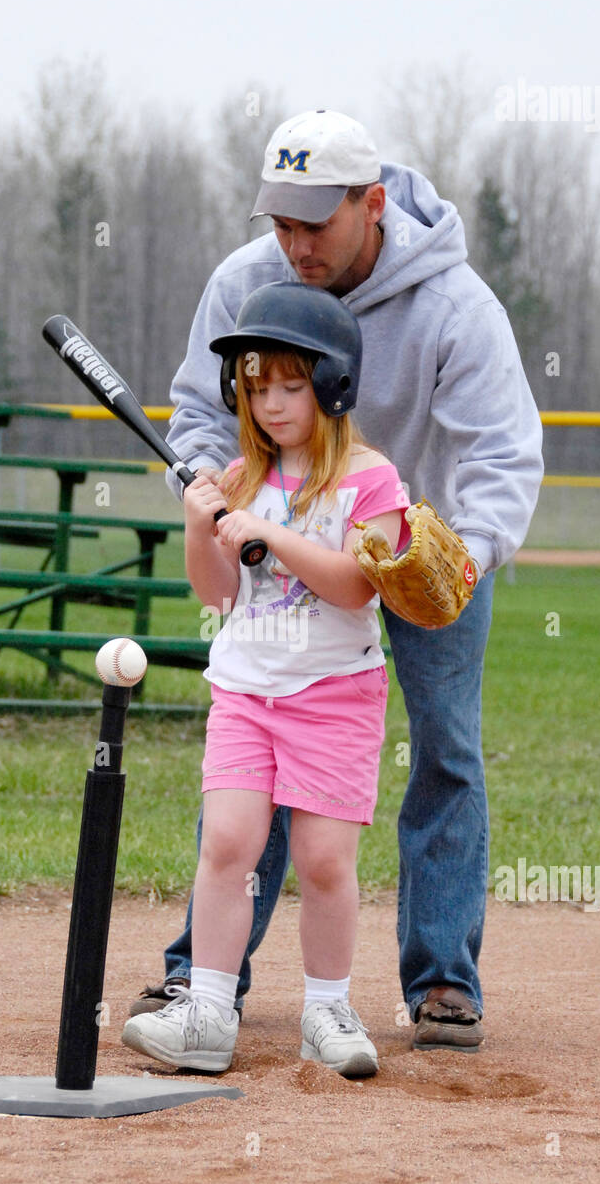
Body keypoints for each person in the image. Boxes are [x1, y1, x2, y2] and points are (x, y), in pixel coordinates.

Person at [130, 109, 544, 1051]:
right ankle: (206, 980)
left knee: (444, 749)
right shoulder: (245, 282)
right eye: (281, 221)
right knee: (266, 752)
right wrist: (206, 481)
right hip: (280, 539)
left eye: (316, 221)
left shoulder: (456, 306)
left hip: (414, 548)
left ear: (374, 203)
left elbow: (502, 452)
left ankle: (440, 980)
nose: (294, 242)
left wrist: (465, 558)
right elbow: (199, 406)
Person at [122, 283, 408, 1076]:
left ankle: (328, 1010)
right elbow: (217, 594)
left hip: (334, 698)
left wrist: (272, 534)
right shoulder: (243, 477)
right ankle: (209, 1012)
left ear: (333, 384)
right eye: (256, 388)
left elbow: (356, 585)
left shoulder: (371, 480)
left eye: (291, 385)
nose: (273, 404)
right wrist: (199, 524)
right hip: (247, 692)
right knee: (228, 845)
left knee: (322, 860)